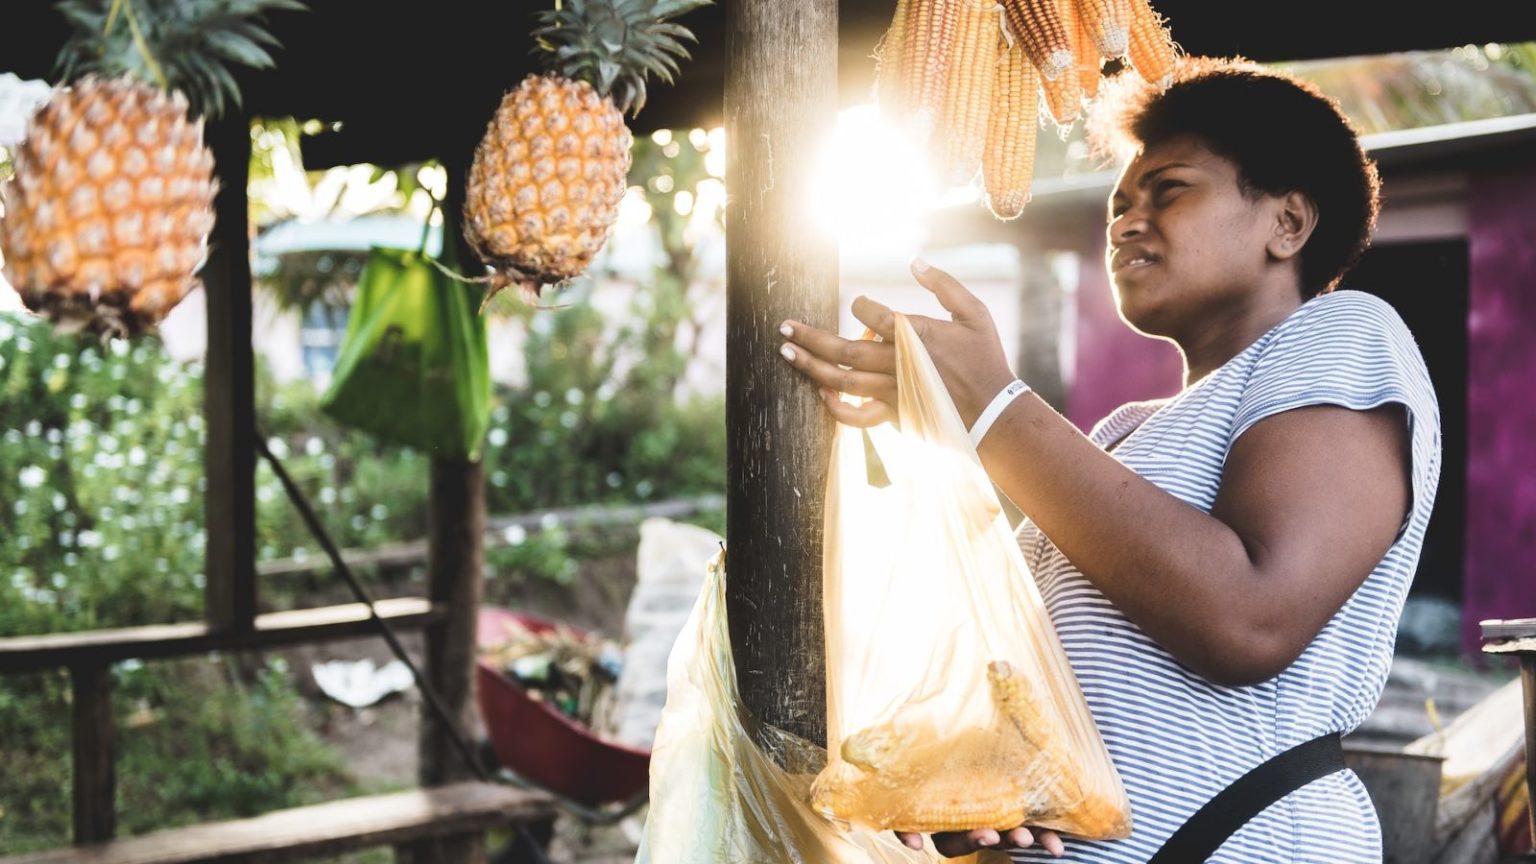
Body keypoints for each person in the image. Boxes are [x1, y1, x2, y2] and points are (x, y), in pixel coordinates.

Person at [777, 57, 1442, 862]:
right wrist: (981, 790)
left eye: (1170, 191)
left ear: (1288, 224)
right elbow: (1046, 697)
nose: (1126, 220)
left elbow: (1250, 618)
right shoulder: (1122, 436)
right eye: (1121, 203)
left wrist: (994, 410)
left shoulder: (1344, 334)